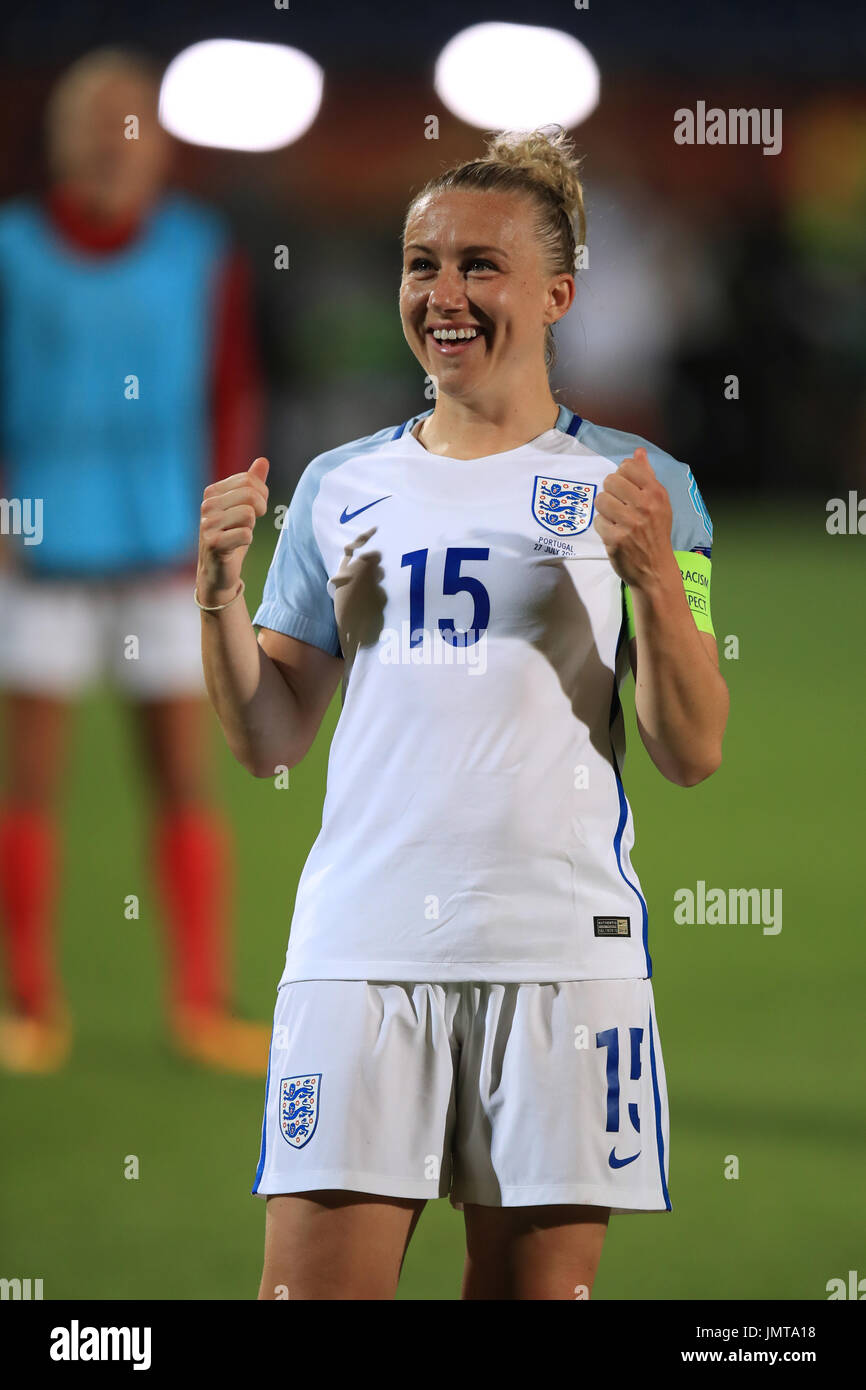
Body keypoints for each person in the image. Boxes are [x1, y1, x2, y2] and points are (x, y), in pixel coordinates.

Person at [196, 126, 729, 1300]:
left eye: (477, 266)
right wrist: (219, 603)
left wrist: (649, 579)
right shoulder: (339, 485)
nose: (442, 293)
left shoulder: (643, 487)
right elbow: (269, 732)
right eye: (419, 262)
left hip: (558, 957)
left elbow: (688, 748)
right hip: (357, 951)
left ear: (556, 292)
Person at [0, 48, 268, 1075]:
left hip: (167, 552)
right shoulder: (15, 249)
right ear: (62, 140)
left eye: (133, 123)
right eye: (94, 122)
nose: (115, 143)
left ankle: (200, 1003)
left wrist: (221, 527)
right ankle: (31, 1001)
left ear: (158, 146)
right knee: (30, 782)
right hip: (40, 553)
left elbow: (230, 390)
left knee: (184, 775)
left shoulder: (201, 251)